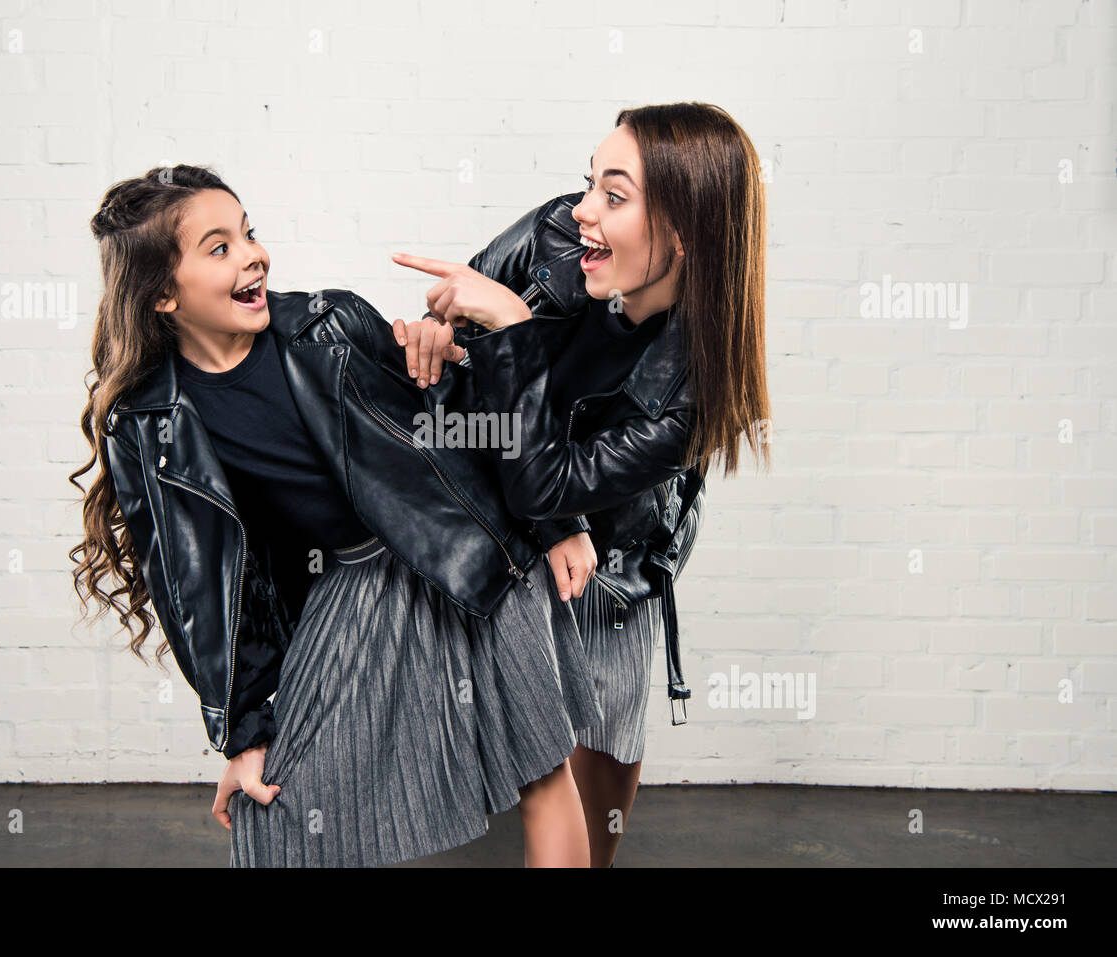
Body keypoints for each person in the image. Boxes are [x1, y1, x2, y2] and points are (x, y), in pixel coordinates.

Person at [68, 164, 606, 867]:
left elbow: (461, 422)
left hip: (466, 549)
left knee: (540, 769)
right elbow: (193, 589)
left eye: (248, 232)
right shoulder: (149, 422)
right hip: (350, 581)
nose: (253, 253)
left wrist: (559, 519)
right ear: (164, 294)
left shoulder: (330, 324)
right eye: (219, 246)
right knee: (279, 813)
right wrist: (245, 732)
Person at [388, 102, 771, 865]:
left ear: (686, 230)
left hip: (605, 578)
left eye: (615, 196)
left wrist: (511, 327)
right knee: (474, 791)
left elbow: (552, 482)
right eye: (588, 183)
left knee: (587, 844)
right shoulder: (554, 240)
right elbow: (441, 396)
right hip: (502, 539)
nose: (581, 211)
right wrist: (432, 343)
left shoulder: (688, 396)